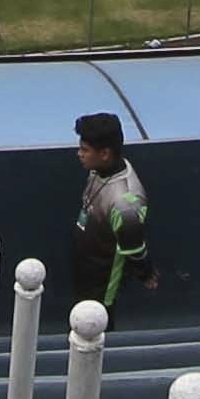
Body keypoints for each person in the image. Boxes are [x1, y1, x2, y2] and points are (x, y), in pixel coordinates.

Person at [66, 112, 151, 312]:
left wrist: (146, 273)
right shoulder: (99, 168)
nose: (79, 154)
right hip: (83, 267)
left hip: (101, 285)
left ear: (105, 154)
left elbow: (135, 250)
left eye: (84, 150)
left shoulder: (125, 203)